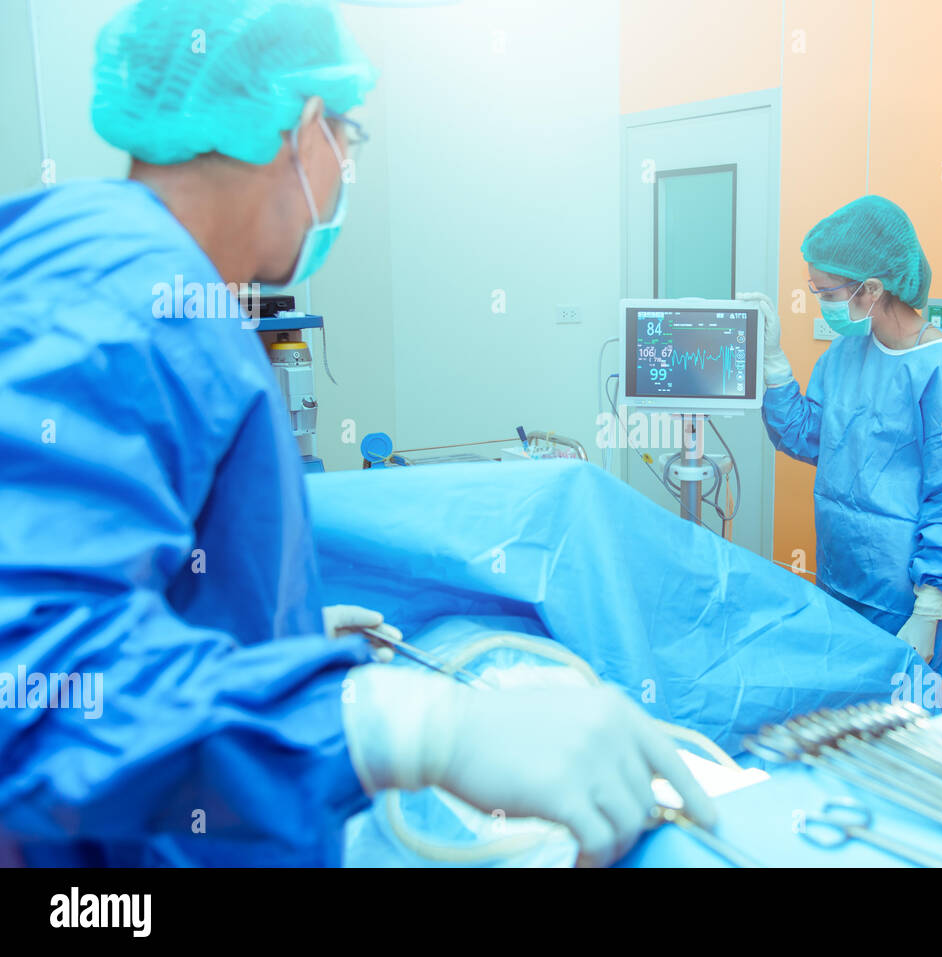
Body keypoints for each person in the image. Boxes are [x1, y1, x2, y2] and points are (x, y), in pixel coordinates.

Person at [0, 0, 711, 867]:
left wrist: (270, 645)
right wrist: (400, 724)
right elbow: (29, 685)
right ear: (303, 131)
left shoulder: (125, 272)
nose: (343, 175)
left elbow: (118, 588)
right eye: (348, 140)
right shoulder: (126, 296)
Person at [752, 195, 942, 697]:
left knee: (905, 726)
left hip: (906, 599)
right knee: (842, 720)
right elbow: (813, 437)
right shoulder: (846, 353)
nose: (821, 302)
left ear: (872, 289)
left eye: (827, 291)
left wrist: (929, 609)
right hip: (840, 579)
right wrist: (773, 363)